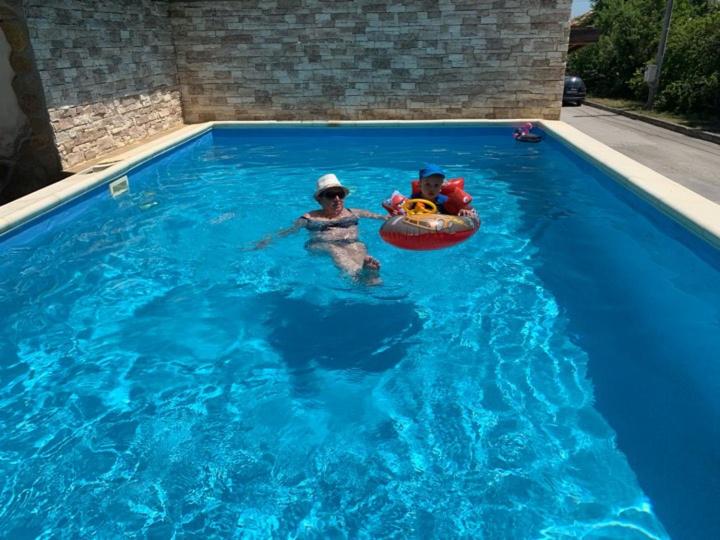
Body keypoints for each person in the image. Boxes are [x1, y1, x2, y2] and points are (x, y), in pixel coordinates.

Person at [254, 173, 387, 283]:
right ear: (320, 199)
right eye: (330, 195)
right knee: (334, 249)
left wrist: (399, 217)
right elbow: (288, 231)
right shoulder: (309, 218)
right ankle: (356, 276)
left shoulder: (354, 212)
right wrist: (266, 240)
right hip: (321, 245)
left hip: (351, 243)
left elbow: (383, 217)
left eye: (340, 194)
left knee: (359, 247)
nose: (337, 199)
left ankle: (370, 278)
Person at [412, 163, 479, 220]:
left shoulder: (445, 201)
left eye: (436, 185)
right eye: (427, 184)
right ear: (420, 184)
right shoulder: (413, 200)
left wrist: (463, 211)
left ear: (441, 187)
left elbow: (456, 213)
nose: (432, 188)